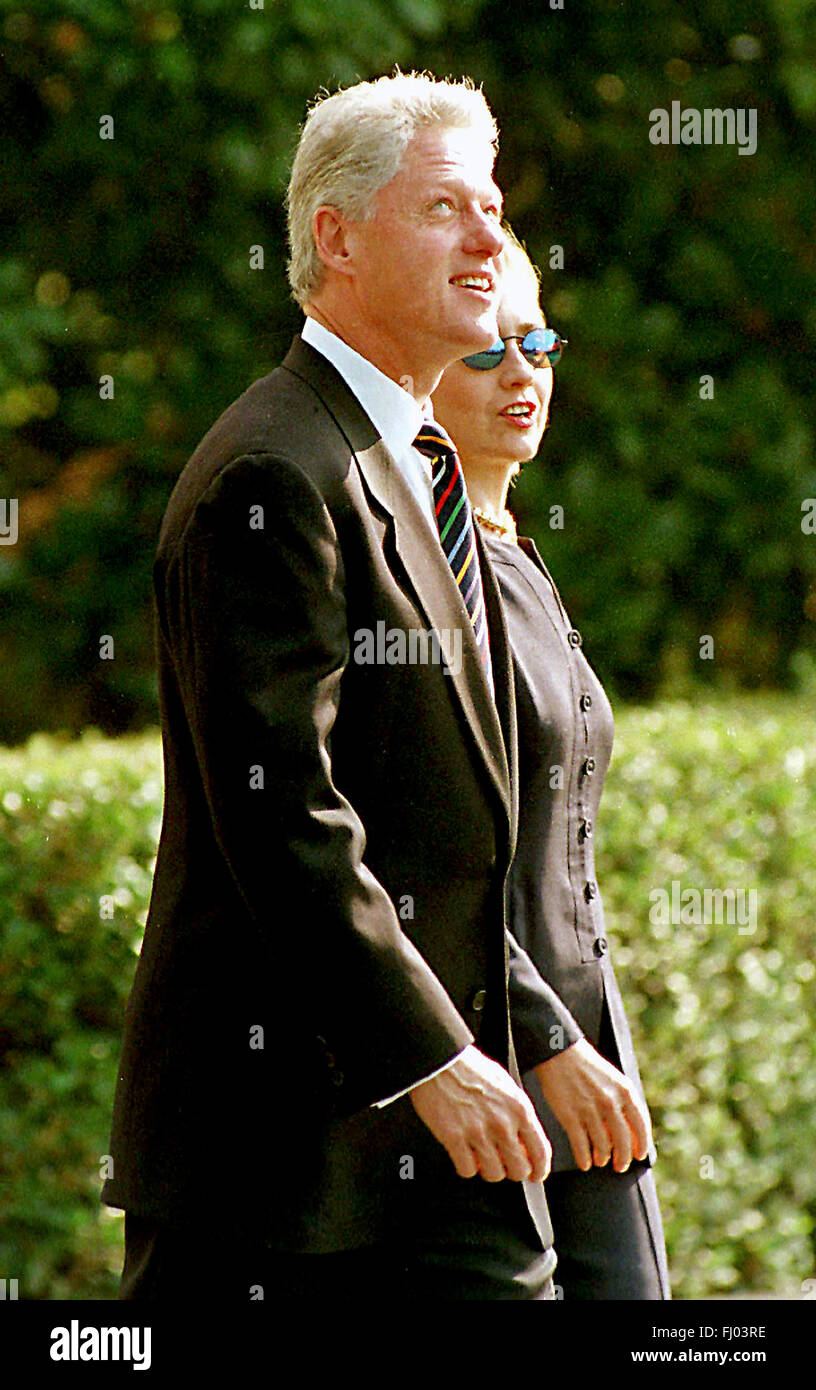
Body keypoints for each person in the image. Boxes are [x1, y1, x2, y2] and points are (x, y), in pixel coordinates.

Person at [101, 72, 582, 1301]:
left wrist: (530, 1037)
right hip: (281, 1171)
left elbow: (438, 827)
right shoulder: (272, 470)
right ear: (340, 238)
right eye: (445, 208)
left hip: (438, 1154)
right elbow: (283, 815)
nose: (489, 240)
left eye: (493, 207)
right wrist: (428, 1057)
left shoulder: (411, 458)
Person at [431, 233, 672, 1299]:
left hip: (584, 1057)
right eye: (487, 351)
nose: (521, 372)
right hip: (483, 1059)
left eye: (538, 344)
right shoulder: (425, 570)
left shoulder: (517, 548)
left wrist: (590, 1038)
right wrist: (545, 1038)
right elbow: (420, 848)